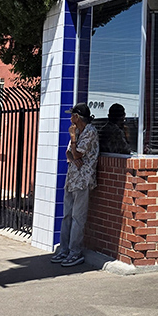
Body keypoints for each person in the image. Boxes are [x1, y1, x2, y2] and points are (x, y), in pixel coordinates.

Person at [51, 103, 99, 267]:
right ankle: (64, 249)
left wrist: (73, 143)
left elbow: (77, 152)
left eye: (72, 115)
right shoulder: (76, 130)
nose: (70, 118)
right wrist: (75, 156)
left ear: (77, 117)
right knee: (67, 216)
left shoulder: (89, 131)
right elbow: (70, 154)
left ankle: (75, 252)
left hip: (83, 180)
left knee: (78, 217)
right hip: (72, 178)